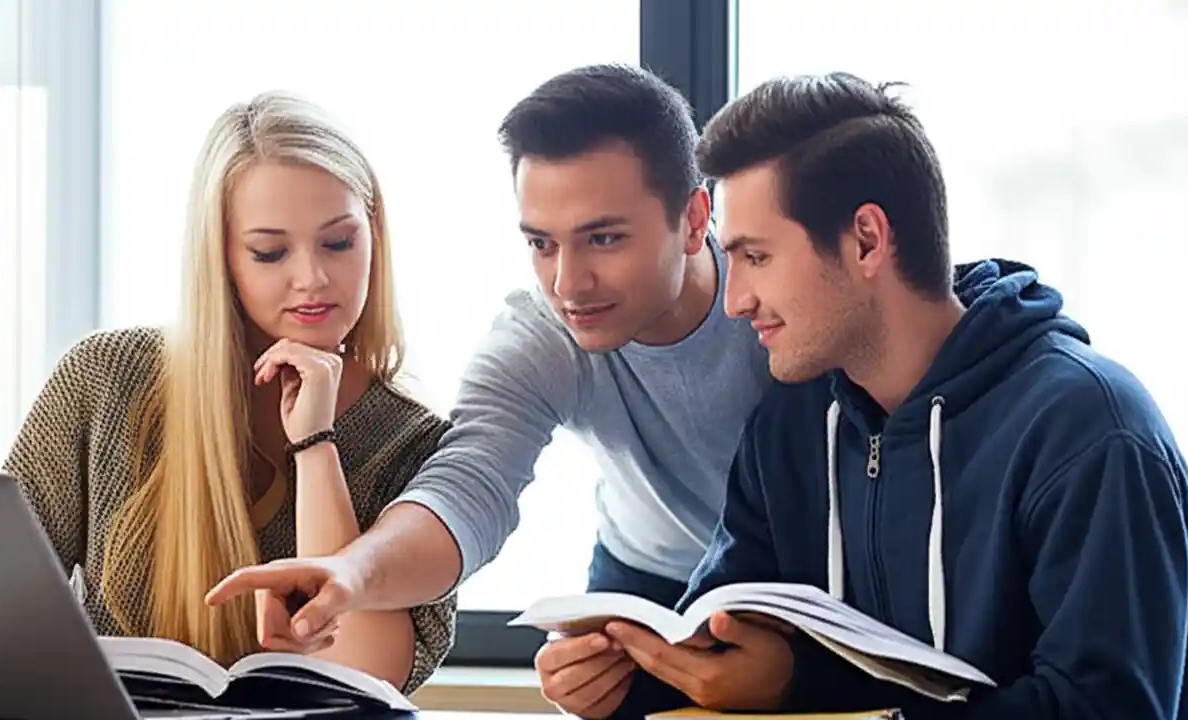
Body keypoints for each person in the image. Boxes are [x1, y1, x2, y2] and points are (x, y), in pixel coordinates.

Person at [539, 73, 1188, 719]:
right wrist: (622, 687)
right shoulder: (792, 424)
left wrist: (800, 686)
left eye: (757, 257)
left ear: (866, 239)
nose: (737, 300)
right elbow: (725, 655)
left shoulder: (1090, 432)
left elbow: (1103, 708)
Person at [205, 64, 770, 679]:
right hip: (646, 582)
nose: (567, 284)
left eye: (604, 239)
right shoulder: (541, 335)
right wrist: (352, 573)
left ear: (692, 220)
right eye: (541, 244)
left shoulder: (778, 306)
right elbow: (468, 486)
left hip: (803, 576)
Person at [2, 92, 455, 693]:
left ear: (373, 235)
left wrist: (316, 444)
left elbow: (363, 679)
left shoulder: (412, 440)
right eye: (270, 252)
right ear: (221, 261)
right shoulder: (104, 379)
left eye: (339, 243)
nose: (312, 278)